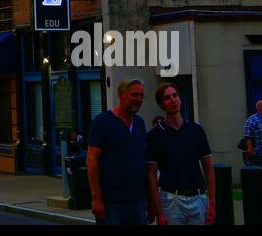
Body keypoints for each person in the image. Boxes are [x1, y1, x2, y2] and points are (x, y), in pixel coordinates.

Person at [145, 83, 216, 226]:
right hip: (172, 201)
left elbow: (208, 168)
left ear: (180, 99)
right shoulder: (154, 136)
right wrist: (159, 211)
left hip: (198, 198)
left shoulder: (196, 131)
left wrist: (212, 203)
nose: (173, 100)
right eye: (167, 98)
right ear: (161, 104)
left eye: (175, 95)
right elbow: (151, 175)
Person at [87, 79, 149, 225]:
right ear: (121, 95)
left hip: (137, 200)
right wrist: (96, 198)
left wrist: (148, 200)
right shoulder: (102, 122)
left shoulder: (140, 123)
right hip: (111, 202)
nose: (139, 99)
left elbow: (143, 161)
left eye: (141, 96)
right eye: (135, 95)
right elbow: (91, 160)